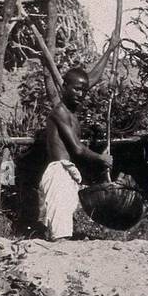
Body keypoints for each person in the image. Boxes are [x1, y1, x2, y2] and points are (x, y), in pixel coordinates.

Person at [39, 68, 112, 240]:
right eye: (76, 89)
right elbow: (77, 149)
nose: (80, 94)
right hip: (59, 172)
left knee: (63, 223)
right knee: (60, 230)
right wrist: (101, 158)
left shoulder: (71, 112)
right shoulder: (60, 112)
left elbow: (90, 78)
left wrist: (111, 47)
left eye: (84, 91)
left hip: (68, 173)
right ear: (64, 86)